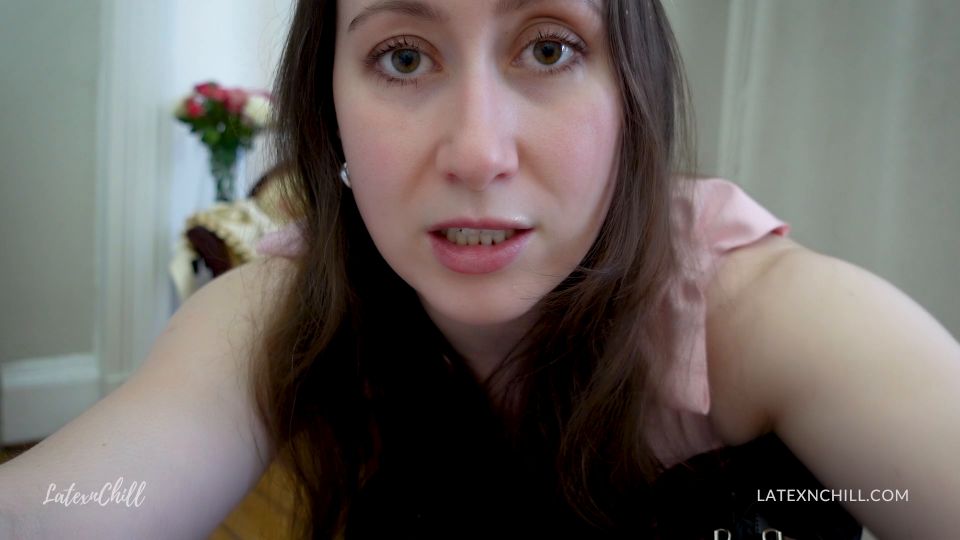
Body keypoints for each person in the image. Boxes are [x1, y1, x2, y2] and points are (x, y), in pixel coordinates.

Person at [1, 0, 958, 538]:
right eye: (403, 57)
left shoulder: (760, 317)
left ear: (632, 97)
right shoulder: (286, 309)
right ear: (329, 111)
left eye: (548, 47)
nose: (476, 153)